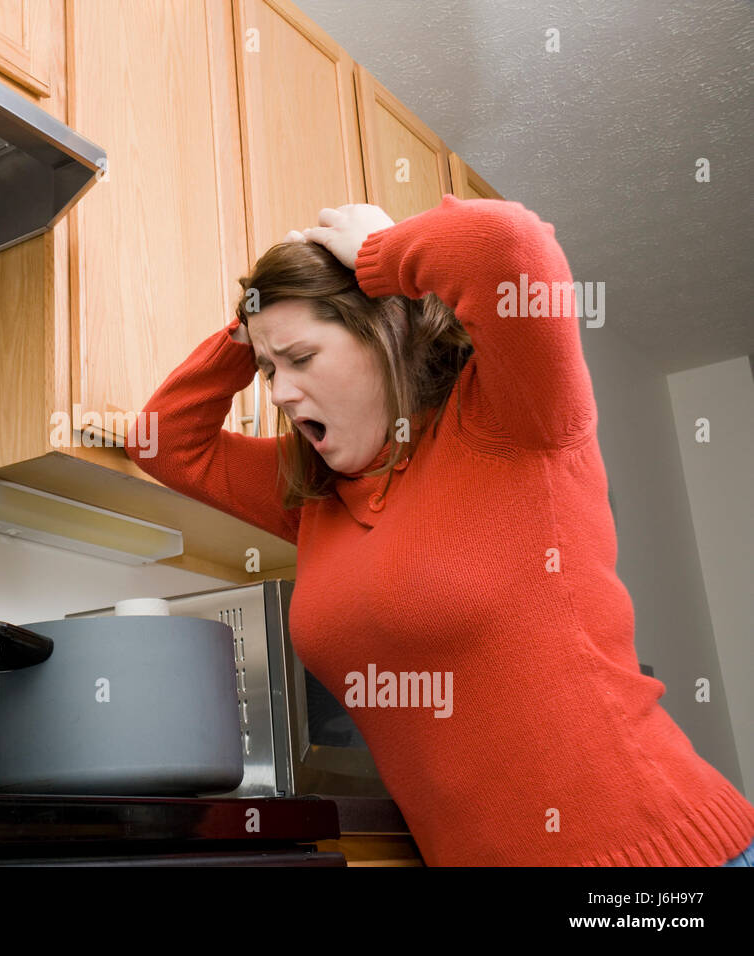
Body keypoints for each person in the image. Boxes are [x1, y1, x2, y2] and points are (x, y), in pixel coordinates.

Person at [124, 196, 754, 866]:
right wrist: (249, 326)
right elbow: (160, 441)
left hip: (651, 860)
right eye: (269, 369)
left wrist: (380, 253)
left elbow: (510, 245)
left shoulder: (513, 419)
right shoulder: (316, 495)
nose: (277, 392)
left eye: (302, 358)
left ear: (385, 331)